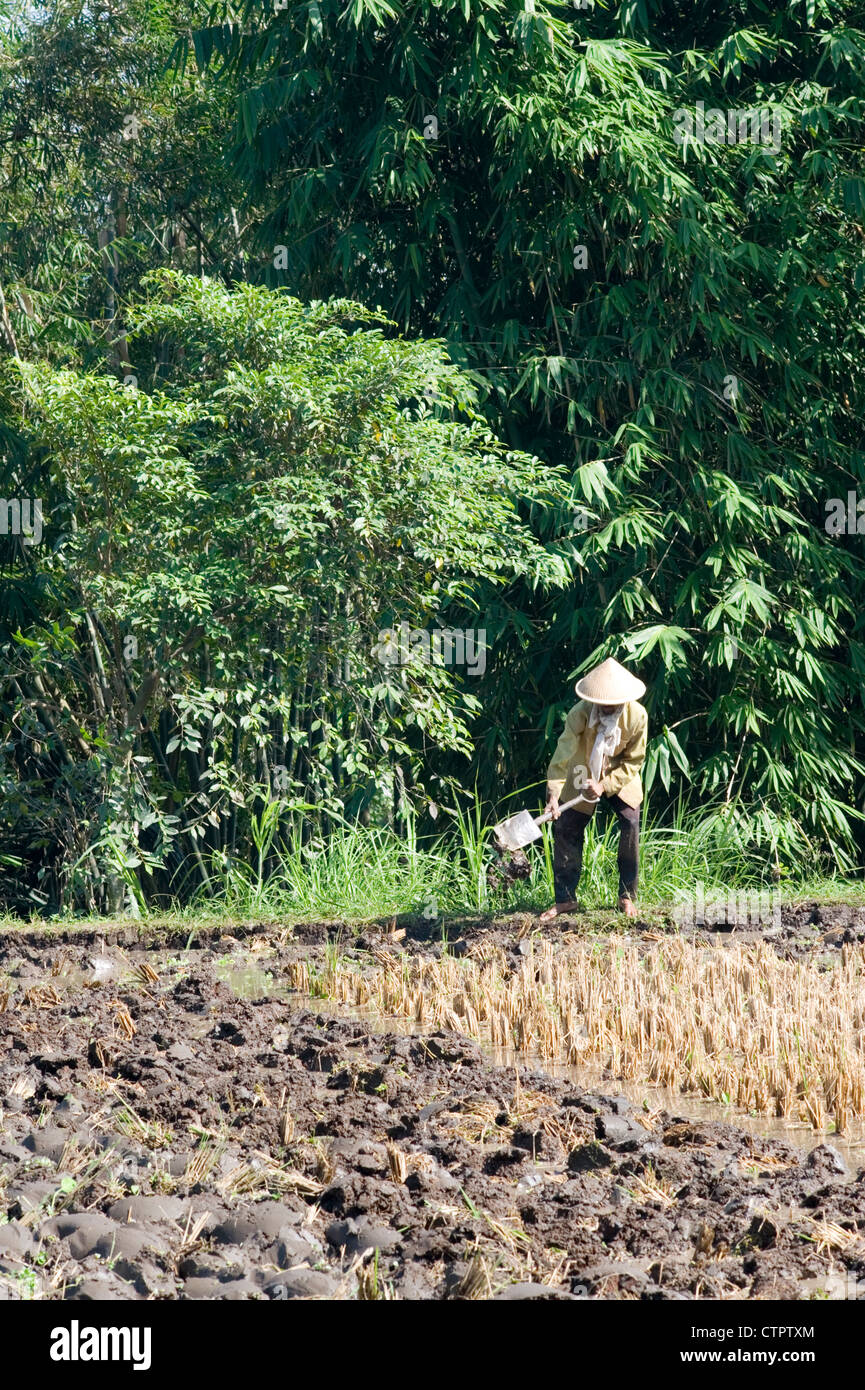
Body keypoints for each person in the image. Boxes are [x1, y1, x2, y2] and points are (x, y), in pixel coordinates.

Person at [539, 657, 647, 921]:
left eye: (613, 704)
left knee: (631, 822)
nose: (607, 708)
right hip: (583, 770)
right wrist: (553, 795)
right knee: (566, 826)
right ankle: (565, 899)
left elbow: (634, 760)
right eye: (603, 704)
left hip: (621, 772)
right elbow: (562, 754)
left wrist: (606, 785)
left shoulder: (637, 717)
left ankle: (626, 895)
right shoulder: (580, 713)